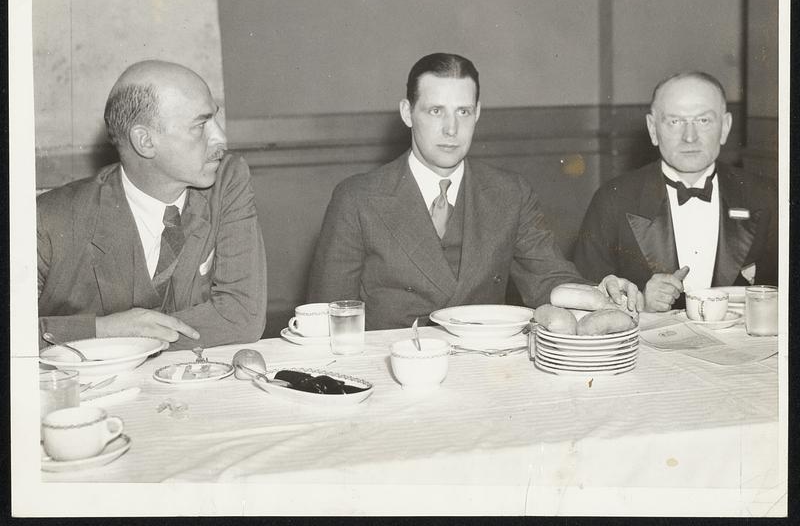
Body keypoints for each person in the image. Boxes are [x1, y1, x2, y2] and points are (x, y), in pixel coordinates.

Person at [308, 52, 641, 330]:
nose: (451, 129)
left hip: (483, 365)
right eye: (436, 111)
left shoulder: (510, 193)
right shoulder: (357, 198)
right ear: (408, 113)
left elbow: (548, 275)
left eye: (463, 112)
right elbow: (327, 316)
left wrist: (599, 293)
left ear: (477, 113)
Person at [37, 60, 268, 349]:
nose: (220, 137)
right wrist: (104, 330)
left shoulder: (226, 181)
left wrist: (128, 339)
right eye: (200, 126)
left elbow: (242, 317)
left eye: (215, 119)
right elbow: (14, 335)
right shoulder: (48, 221)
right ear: (144, 141)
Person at [574, 71, 777, 312]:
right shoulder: (613, 200)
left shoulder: (765, 197)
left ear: (725, 127)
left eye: (703, 121)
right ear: (652, 129)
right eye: (675, 121)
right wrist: (640, 302)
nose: (689, 137)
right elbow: (582, 300)